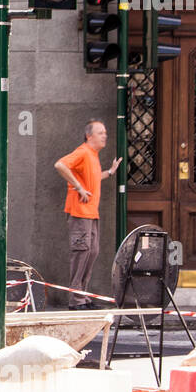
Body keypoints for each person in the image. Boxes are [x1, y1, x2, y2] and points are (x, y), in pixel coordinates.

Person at [53, 119, 122, 310]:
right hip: (80, 212)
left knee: (91, 252)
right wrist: (78, 187)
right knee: (82, 253)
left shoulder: (93, 155)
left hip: (91, 213)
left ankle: (82, 296)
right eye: (101, 133)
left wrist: (109, 172)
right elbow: (60, 165)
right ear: (89, 136)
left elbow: (92, 177)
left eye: (105, 133)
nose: (104, 136)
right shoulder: (83, 152)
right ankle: (76, 300)